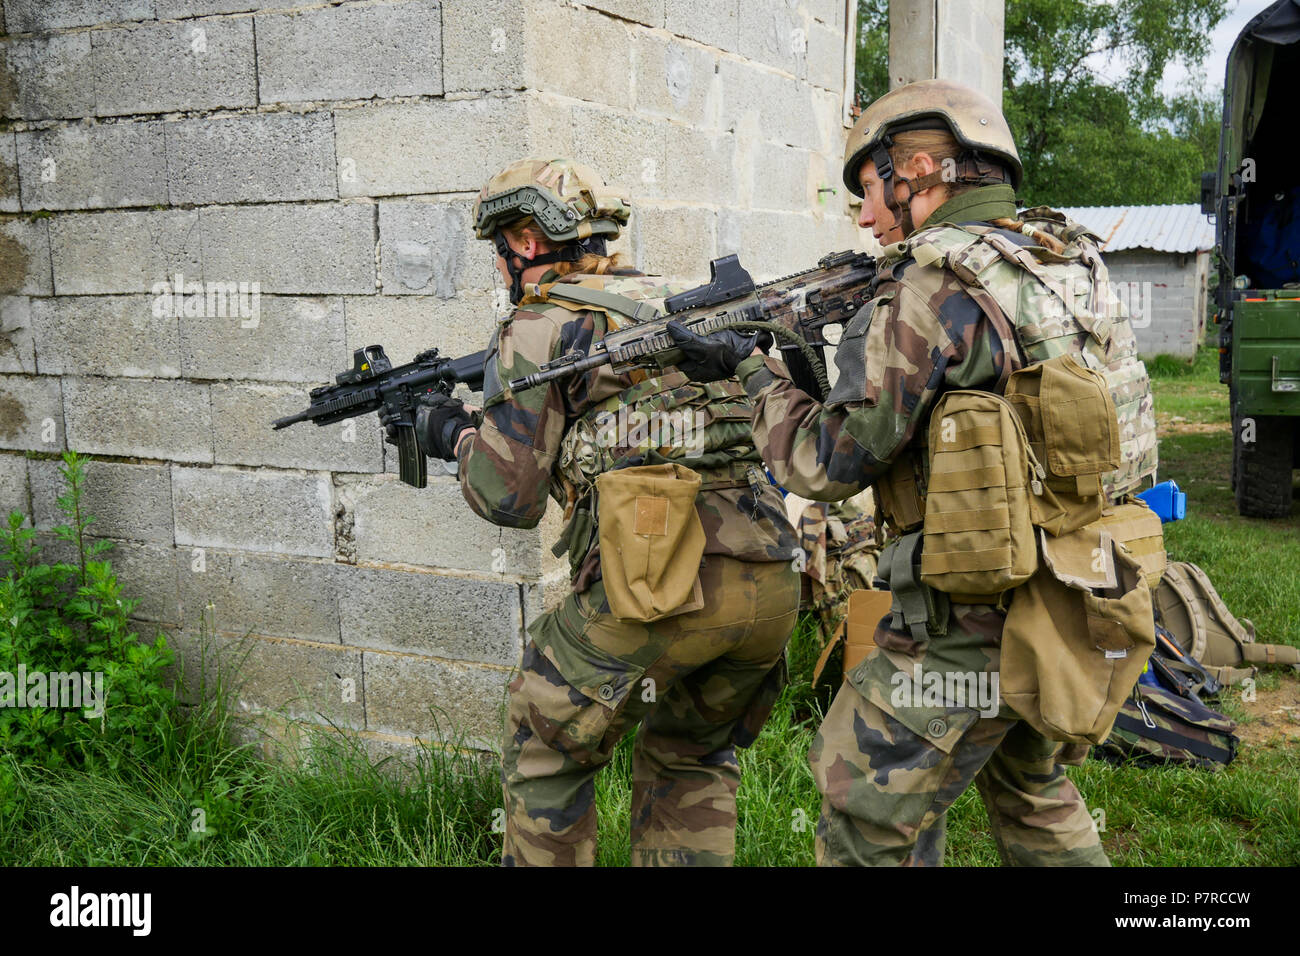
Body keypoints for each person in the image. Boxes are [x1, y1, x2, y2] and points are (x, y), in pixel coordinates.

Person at [668, 79, 1159, 866]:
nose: (863, 216)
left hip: (970, 619)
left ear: (922, 169)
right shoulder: (1071, 261)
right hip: (1078, 591)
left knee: (865, 813)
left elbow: (825, 462)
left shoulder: (932, 285)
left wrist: (752, 374)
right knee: (1031, 794)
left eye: (869, 188)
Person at [413, 158, 802, 867]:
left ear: (525, 240)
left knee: (546, 749)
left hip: (664, 591)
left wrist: (452, 432)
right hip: (773, 581)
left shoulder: (539, 327)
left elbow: (509, 498)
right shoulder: (687, 301)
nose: (501, 265)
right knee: (693, 756)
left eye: (500, 247)